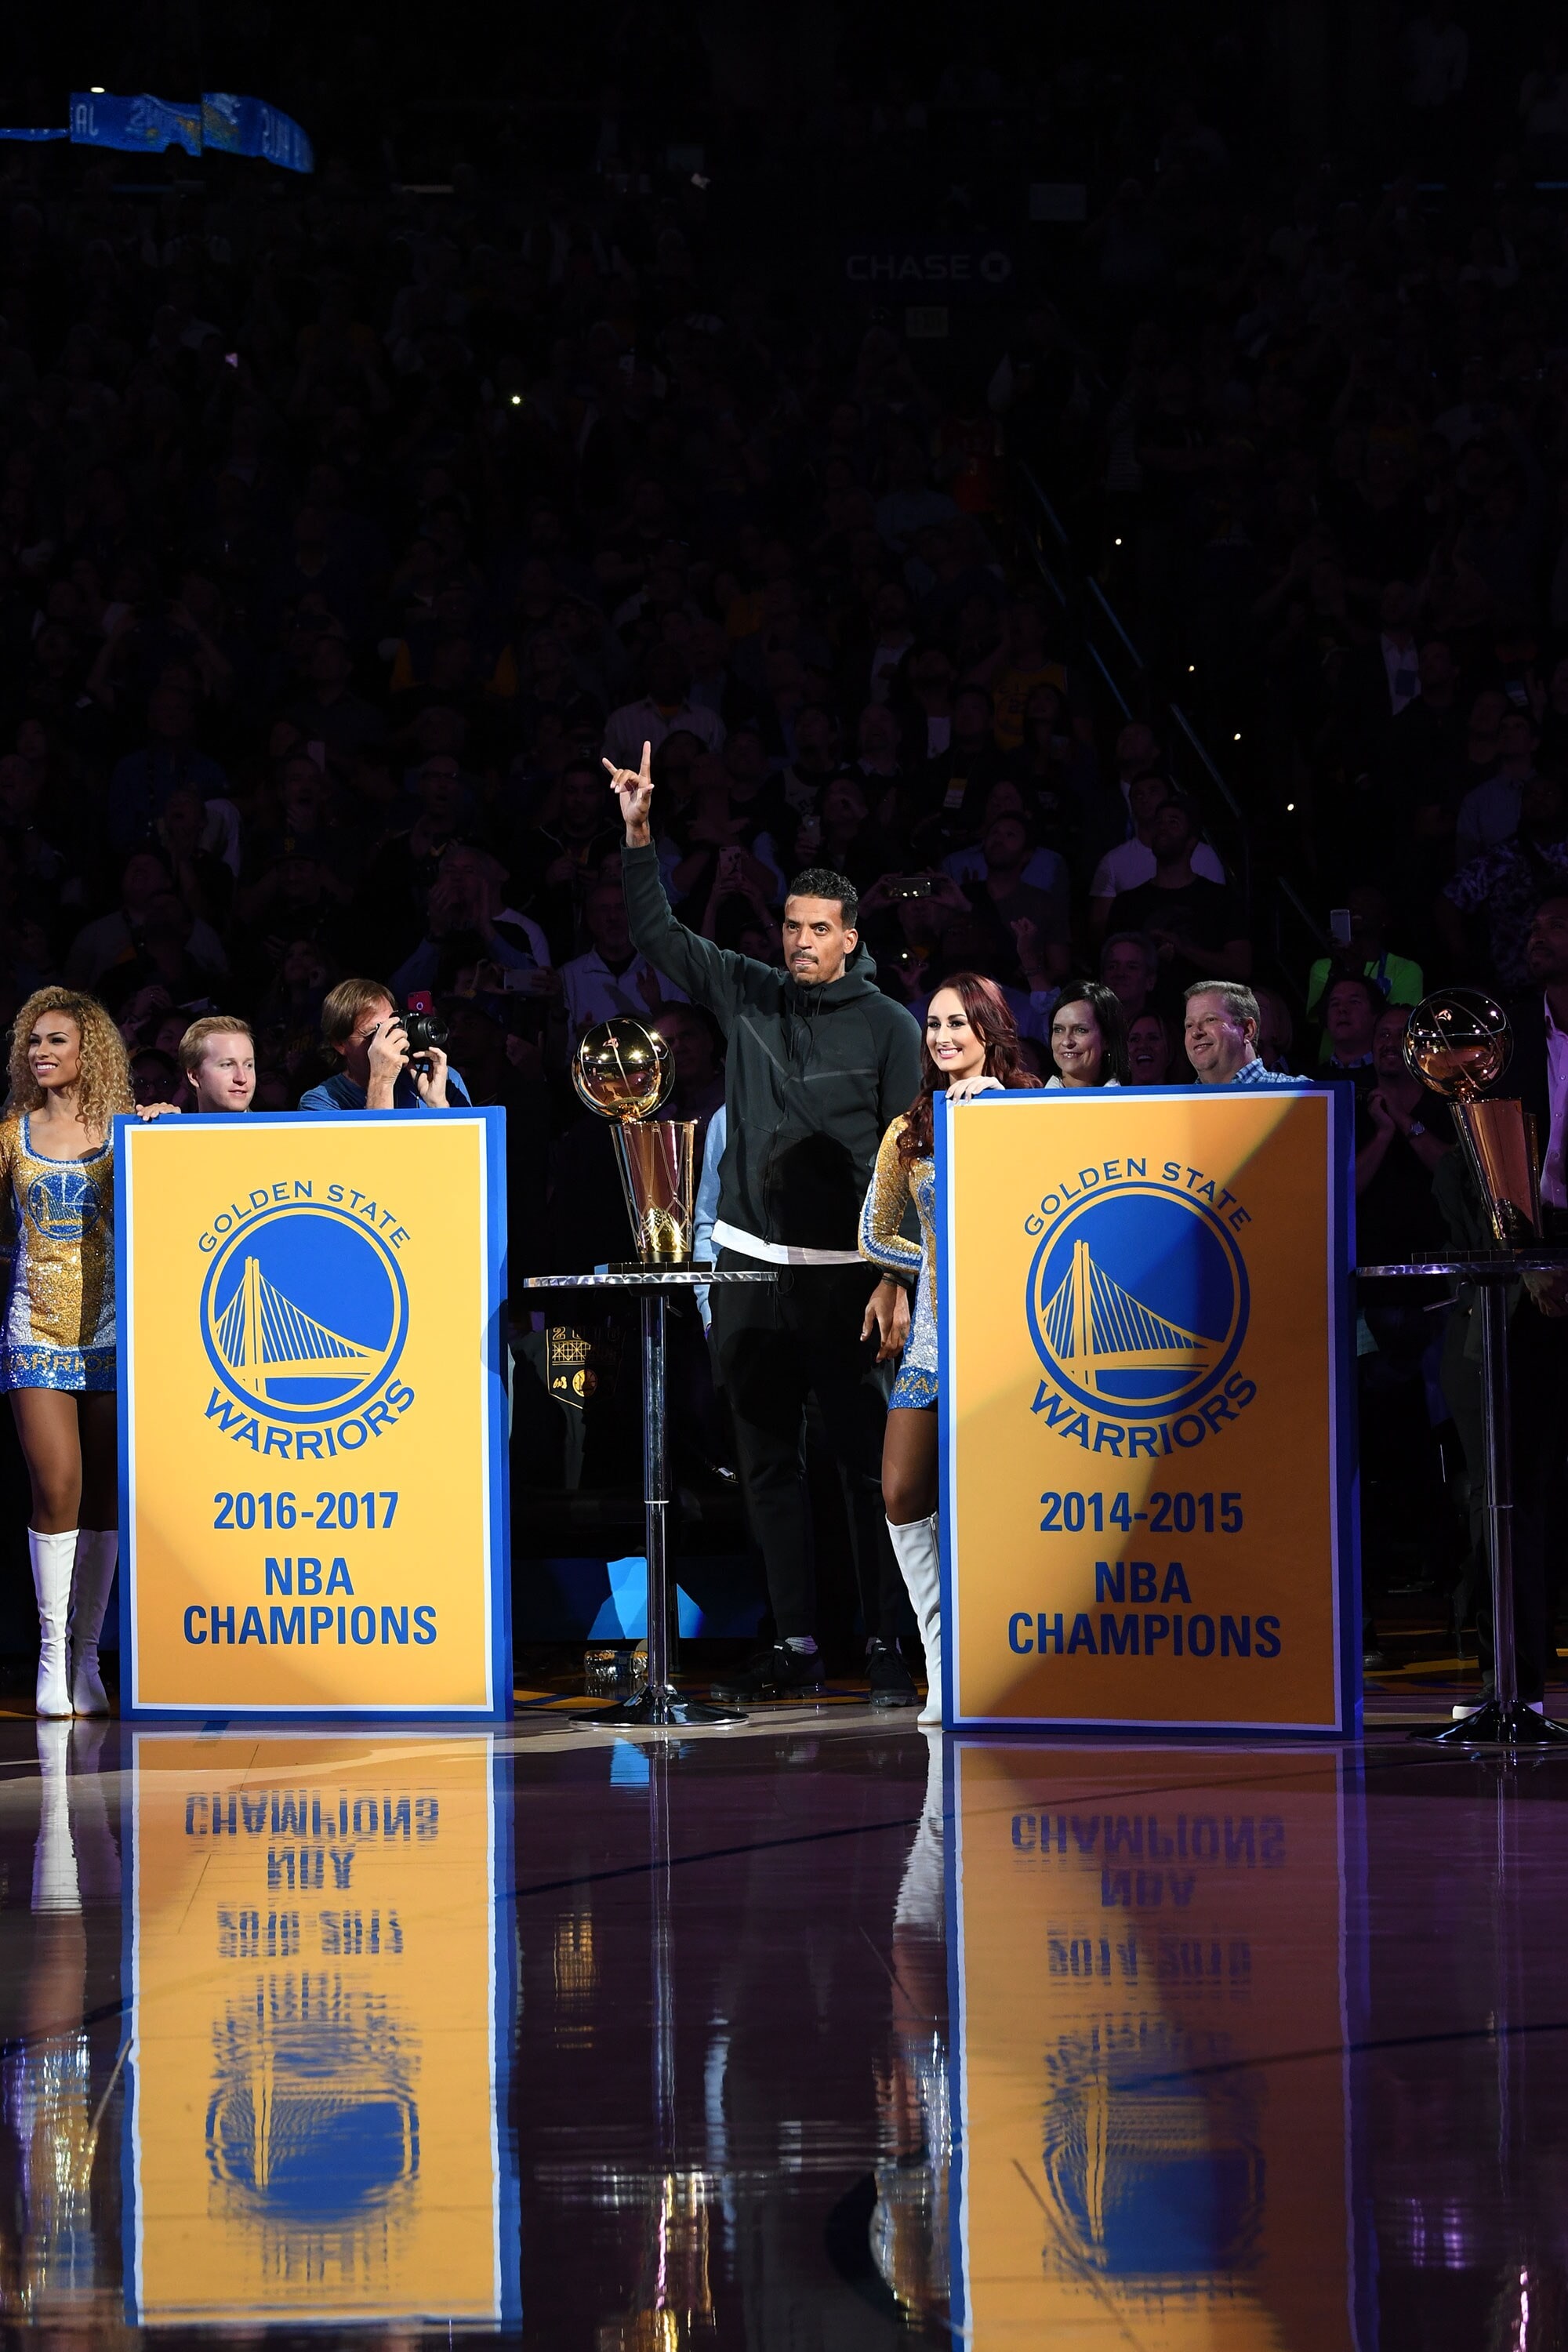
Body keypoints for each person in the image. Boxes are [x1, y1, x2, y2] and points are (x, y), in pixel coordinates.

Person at [605, 738, 924, 1704]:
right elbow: (659, 937)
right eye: (789, 926)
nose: (797, 943)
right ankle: (791, 1641)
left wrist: (894, 1278)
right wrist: (637, 834)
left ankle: (883, 1638)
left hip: (847, 1276)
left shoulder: (889, 1027)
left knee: (866, 1476)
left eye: (816, 930)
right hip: (748, 1272)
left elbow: (911, 1157)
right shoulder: (747, 991)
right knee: (767, 1466)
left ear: (849, 936)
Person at [858, 975, 1036, 1723]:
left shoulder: (1029, 1106)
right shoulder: (910, 1127)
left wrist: (995, 1113)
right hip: (934, 1331)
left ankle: (1010, 1656)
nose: (942, 1036)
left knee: (995, 1503)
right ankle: (942, 1651)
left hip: (1012, 1336)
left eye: (958, 1022)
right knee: (901, 1491)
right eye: (933, 1024)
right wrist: (933, 1257)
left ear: (990, 1029)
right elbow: (872, 1231)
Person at [0, 989, 177, 1715]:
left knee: (105, 1497)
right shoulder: (10, 1133)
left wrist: (167, 1133)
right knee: (58, 1486)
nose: (42, 1052)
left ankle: (86, 1658)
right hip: (35, 1330)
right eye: (33, 1042)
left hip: (113, 1333)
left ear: (89, 1051)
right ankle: (49, 1657)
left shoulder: (127, 1132)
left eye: (57, 1042)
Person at [298, 977, 470, 1112]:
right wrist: (382, 1082)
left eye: (393, 1027)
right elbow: (374, 1155)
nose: (389, 1040)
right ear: (339, 1044)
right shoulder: (321, 1102)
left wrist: (437, 1105)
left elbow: (471, 1153)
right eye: (375, 1033)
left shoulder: (441, 1079)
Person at [1184, 982, 1308, 1085]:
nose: (1195, 1032)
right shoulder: (1173, 1106)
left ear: (1248, 1030)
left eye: (1210, 1020)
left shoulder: (1298, 1096)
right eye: (1189, 1025)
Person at [1044, 980, 1129, 1087]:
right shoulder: (1031, 1104)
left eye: (1080, 1030)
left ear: (1107, 1039)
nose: (1066, 1042)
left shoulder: (1134, 1103)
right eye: (1058, 1030)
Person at [177, 1015, 257, 1112]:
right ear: (194, 1076)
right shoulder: (173, 1127)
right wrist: (159, 1122)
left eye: (248, 1065)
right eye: (227, 1065)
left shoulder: (274, 1127)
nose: (242, 1078)